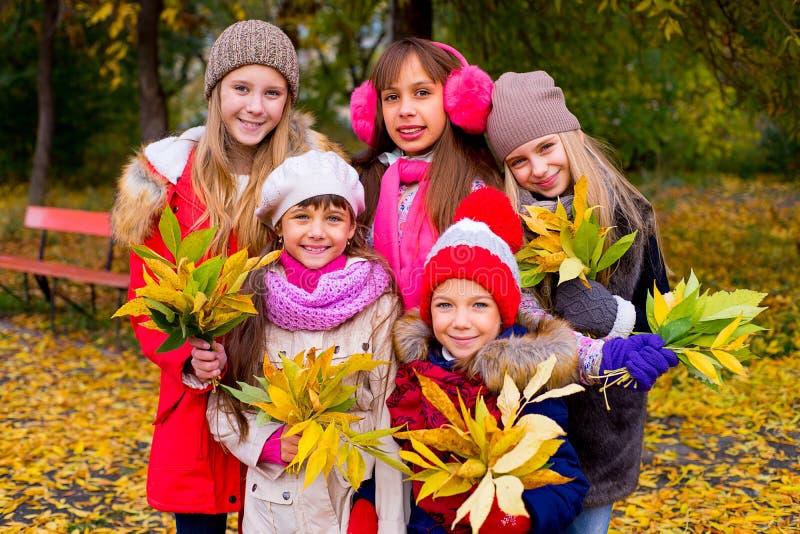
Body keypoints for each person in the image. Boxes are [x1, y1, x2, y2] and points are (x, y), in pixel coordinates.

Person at [111, 20, 343, 533]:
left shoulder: (309, 178)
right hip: (200, 400)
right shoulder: (171, 181)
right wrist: (186, 356)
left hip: (284, 391)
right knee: (200, 518)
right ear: (216, 93)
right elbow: (148, 293)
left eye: (272, 92)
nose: (255, 107)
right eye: (241, 88)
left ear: (287, 101)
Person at [486, 70, 674, 533]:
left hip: (606, 432)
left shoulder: (629, 214)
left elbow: (660, 315)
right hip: (530, 427)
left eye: (546, 147)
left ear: (570, 138)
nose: (539, 168)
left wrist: (616, 322)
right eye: (518, 161)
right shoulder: (509, 228)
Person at [203, 150, 406, 534]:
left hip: (346, 497)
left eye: (332, 218)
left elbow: (386, 417)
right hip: (276, 507)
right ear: (279, 225)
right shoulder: (250, 298)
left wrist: (390, 521)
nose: (317, 231)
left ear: (351, 228)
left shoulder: (378, 304)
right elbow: (222, 402)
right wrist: (264, 443)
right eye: (301, 216)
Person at [387, 187, 590, 533]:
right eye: (445, 305)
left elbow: (564, 479)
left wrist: (514, 518)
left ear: (503, 313)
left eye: (479, 305)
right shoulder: (415, 375)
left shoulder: (527, 381)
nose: (461, 321)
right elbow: (393, 461)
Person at [349, 37, 503, 310]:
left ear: (456, 100)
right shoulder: (359, 184)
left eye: (422, 93)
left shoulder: (476, 192)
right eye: (392, 97)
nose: (406, 111)